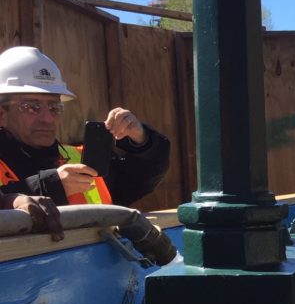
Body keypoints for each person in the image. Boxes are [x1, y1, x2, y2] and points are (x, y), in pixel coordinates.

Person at [0, 46, 170, 207]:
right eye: (32, 107)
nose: (47, 118)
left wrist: (142, 142)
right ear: (2, 115)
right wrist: (51, 185)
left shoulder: (80, 159)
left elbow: (137, 184)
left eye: (54, 108)